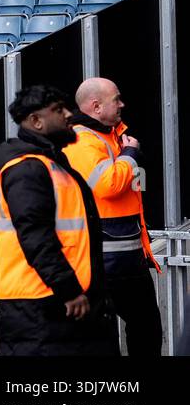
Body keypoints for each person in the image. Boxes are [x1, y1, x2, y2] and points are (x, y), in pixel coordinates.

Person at [0, 85, 118, 356]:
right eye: (58, 111)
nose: (69, 115)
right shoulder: (27, 169)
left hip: (57, 305)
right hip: (41, 305)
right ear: (36, 121)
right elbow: (36, 236)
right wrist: (68, 289)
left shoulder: (51, 163)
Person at [65, 78, 163, 356]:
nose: (122, 105)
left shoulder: (110, 135)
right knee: (127, 332)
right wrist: (130, 154)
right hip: (108, 261)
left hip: (123, 258)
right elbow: (107, 185)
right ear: (96, 106)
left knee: (145, 329)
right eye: (116, 99)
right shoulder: (82, 140)